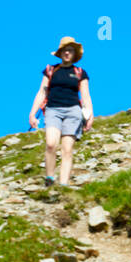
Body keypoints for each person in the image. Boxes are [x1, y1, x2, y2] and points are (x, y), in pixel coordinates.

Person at [28, 36, 93, 186]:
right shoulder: (51, 70)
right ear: (60, 52)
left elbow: (85, 95)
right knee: (51, 144)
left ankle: (63, 184)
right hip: (53, 110)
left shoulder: (80, 73)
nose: (67, 53)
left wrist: (90, 115)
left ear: (74, 54)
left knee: (67, 149)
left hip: (73, 111)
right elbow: (42, 92)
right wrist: (32, 113)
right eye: (65, 50)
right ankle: (50, 178)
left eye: (70, 50)